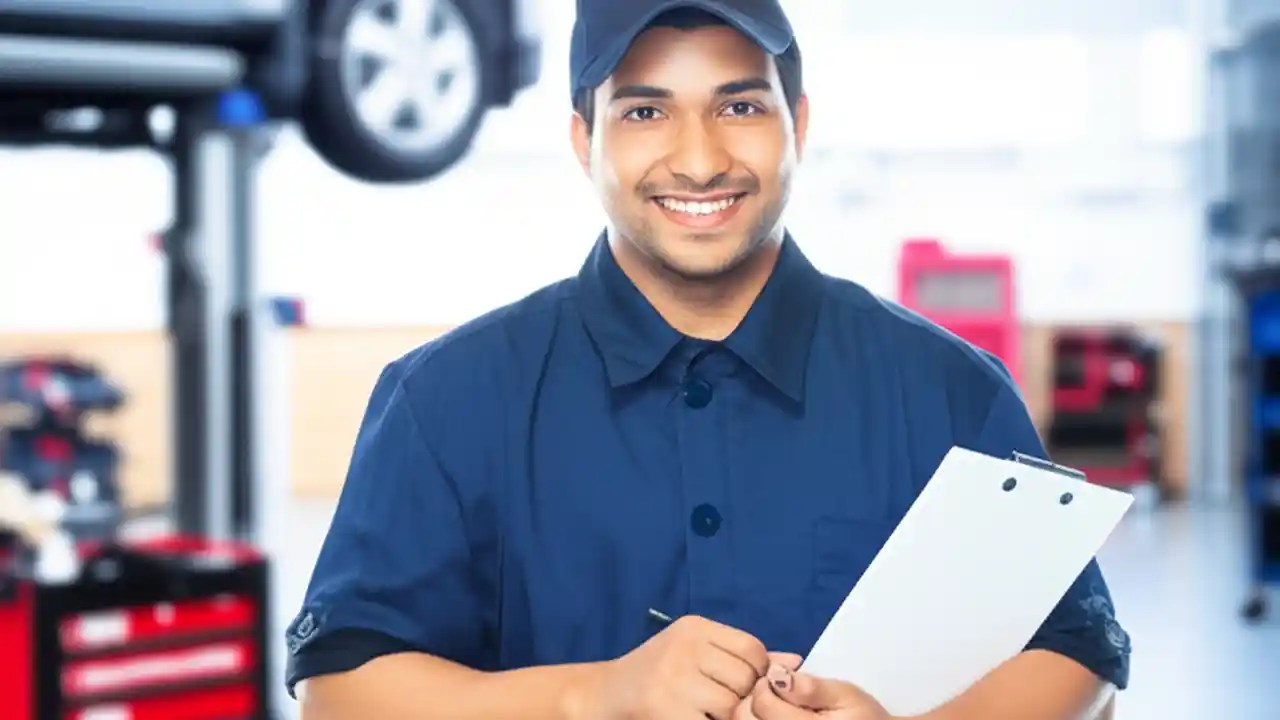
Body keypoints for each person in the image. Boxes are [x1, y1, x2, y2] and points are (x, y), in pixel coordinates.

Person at [285, 1, 1132, 718]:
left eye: (739, 107)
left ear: (797, 124)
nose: (698, 159)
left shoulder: (947, 391)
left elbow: (1077, 649)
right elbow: (341, 682)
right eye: (645, 111)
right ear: (585, 140)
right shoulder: (448, 400)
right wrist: (597, 696)